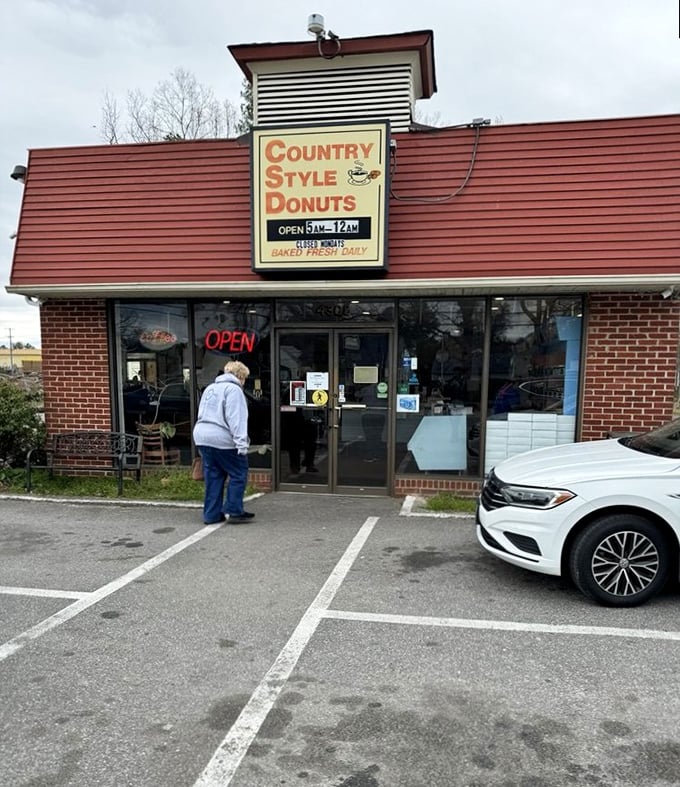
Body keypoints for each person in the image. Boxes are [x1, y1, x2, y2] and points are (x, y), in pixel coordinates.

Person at [192, 360, 255, 524]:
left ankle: (211, 515)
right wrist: (242, 445)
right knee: (238, 473)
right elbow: (237, 419)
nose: (244, 382)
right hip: (221, 439)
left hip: (202, 436)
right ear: (241, 376)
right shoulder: (234, 390)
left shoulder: (210, 388)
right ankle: (234, 510)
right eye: (245, 378)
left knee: (213, 476)